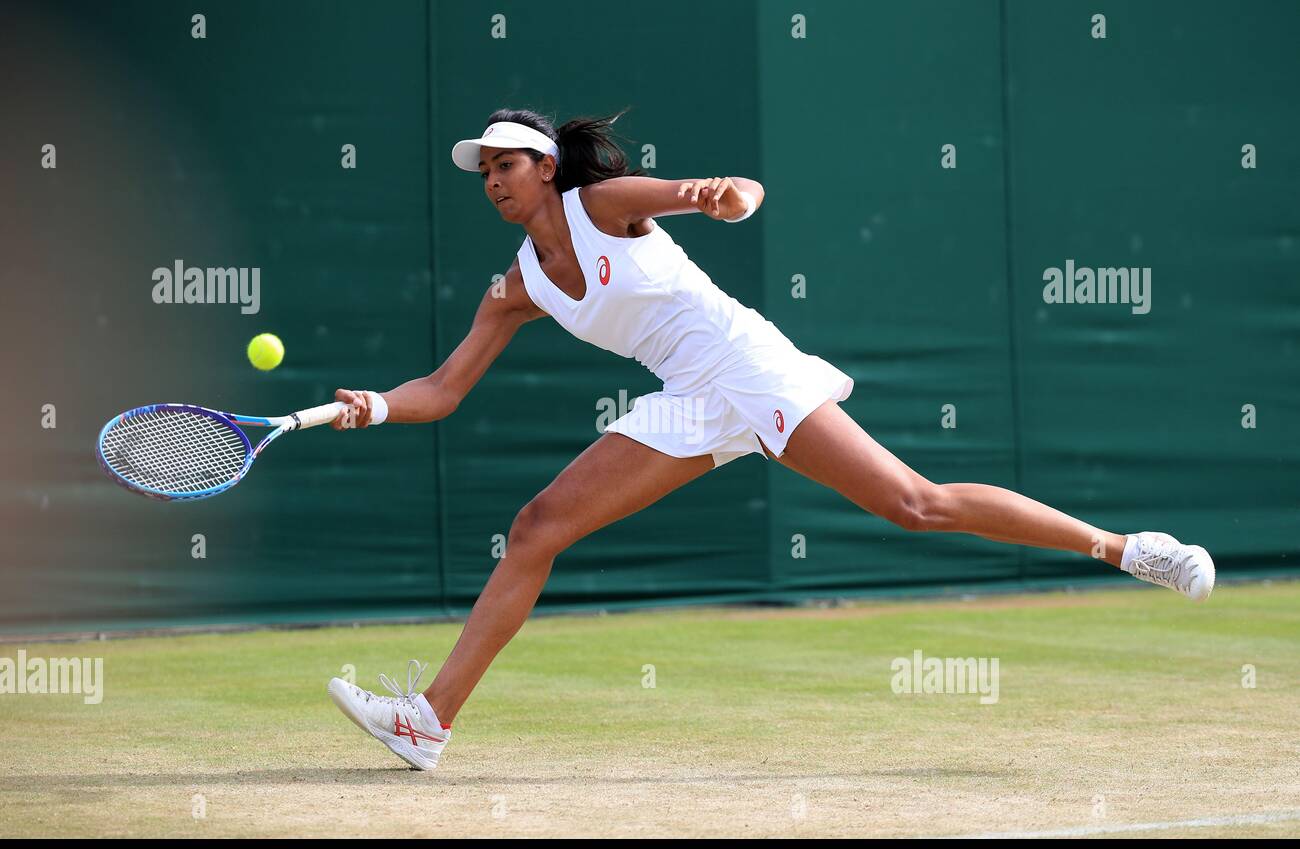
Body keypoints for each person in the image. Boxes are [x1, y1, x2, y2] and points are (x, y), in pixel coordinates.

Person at [325, 108, 1215, 772]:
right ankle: (427, 721)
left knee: (916, 503)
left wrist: (722, 198)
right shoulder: (515, 285)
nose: (492, 179)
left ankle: (1131, 547)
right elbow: (441, 390)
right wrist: (376, 403)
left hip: (749, 365)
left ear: (547, 165)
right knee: (536, 527)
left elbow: (718, 191)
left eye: (506, 163)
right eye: (483, 170)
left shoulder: (603, 203)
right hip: (687, 397)